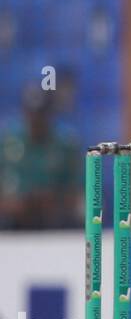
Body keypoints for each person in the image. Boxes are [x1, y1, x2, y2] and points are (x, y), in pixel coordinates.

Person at [0, 87, 81, 230]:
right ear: (25, 113)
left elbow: (78, 191)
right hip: (12, 221)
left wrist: (54, 200)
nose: (36, 120)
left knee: (77, 220)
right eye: (32, 114)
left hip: (55, 219)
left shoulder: (66, 143)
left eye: (41, 114)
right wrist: (17, 204)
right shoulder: (7, 142)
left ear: (50, 114)